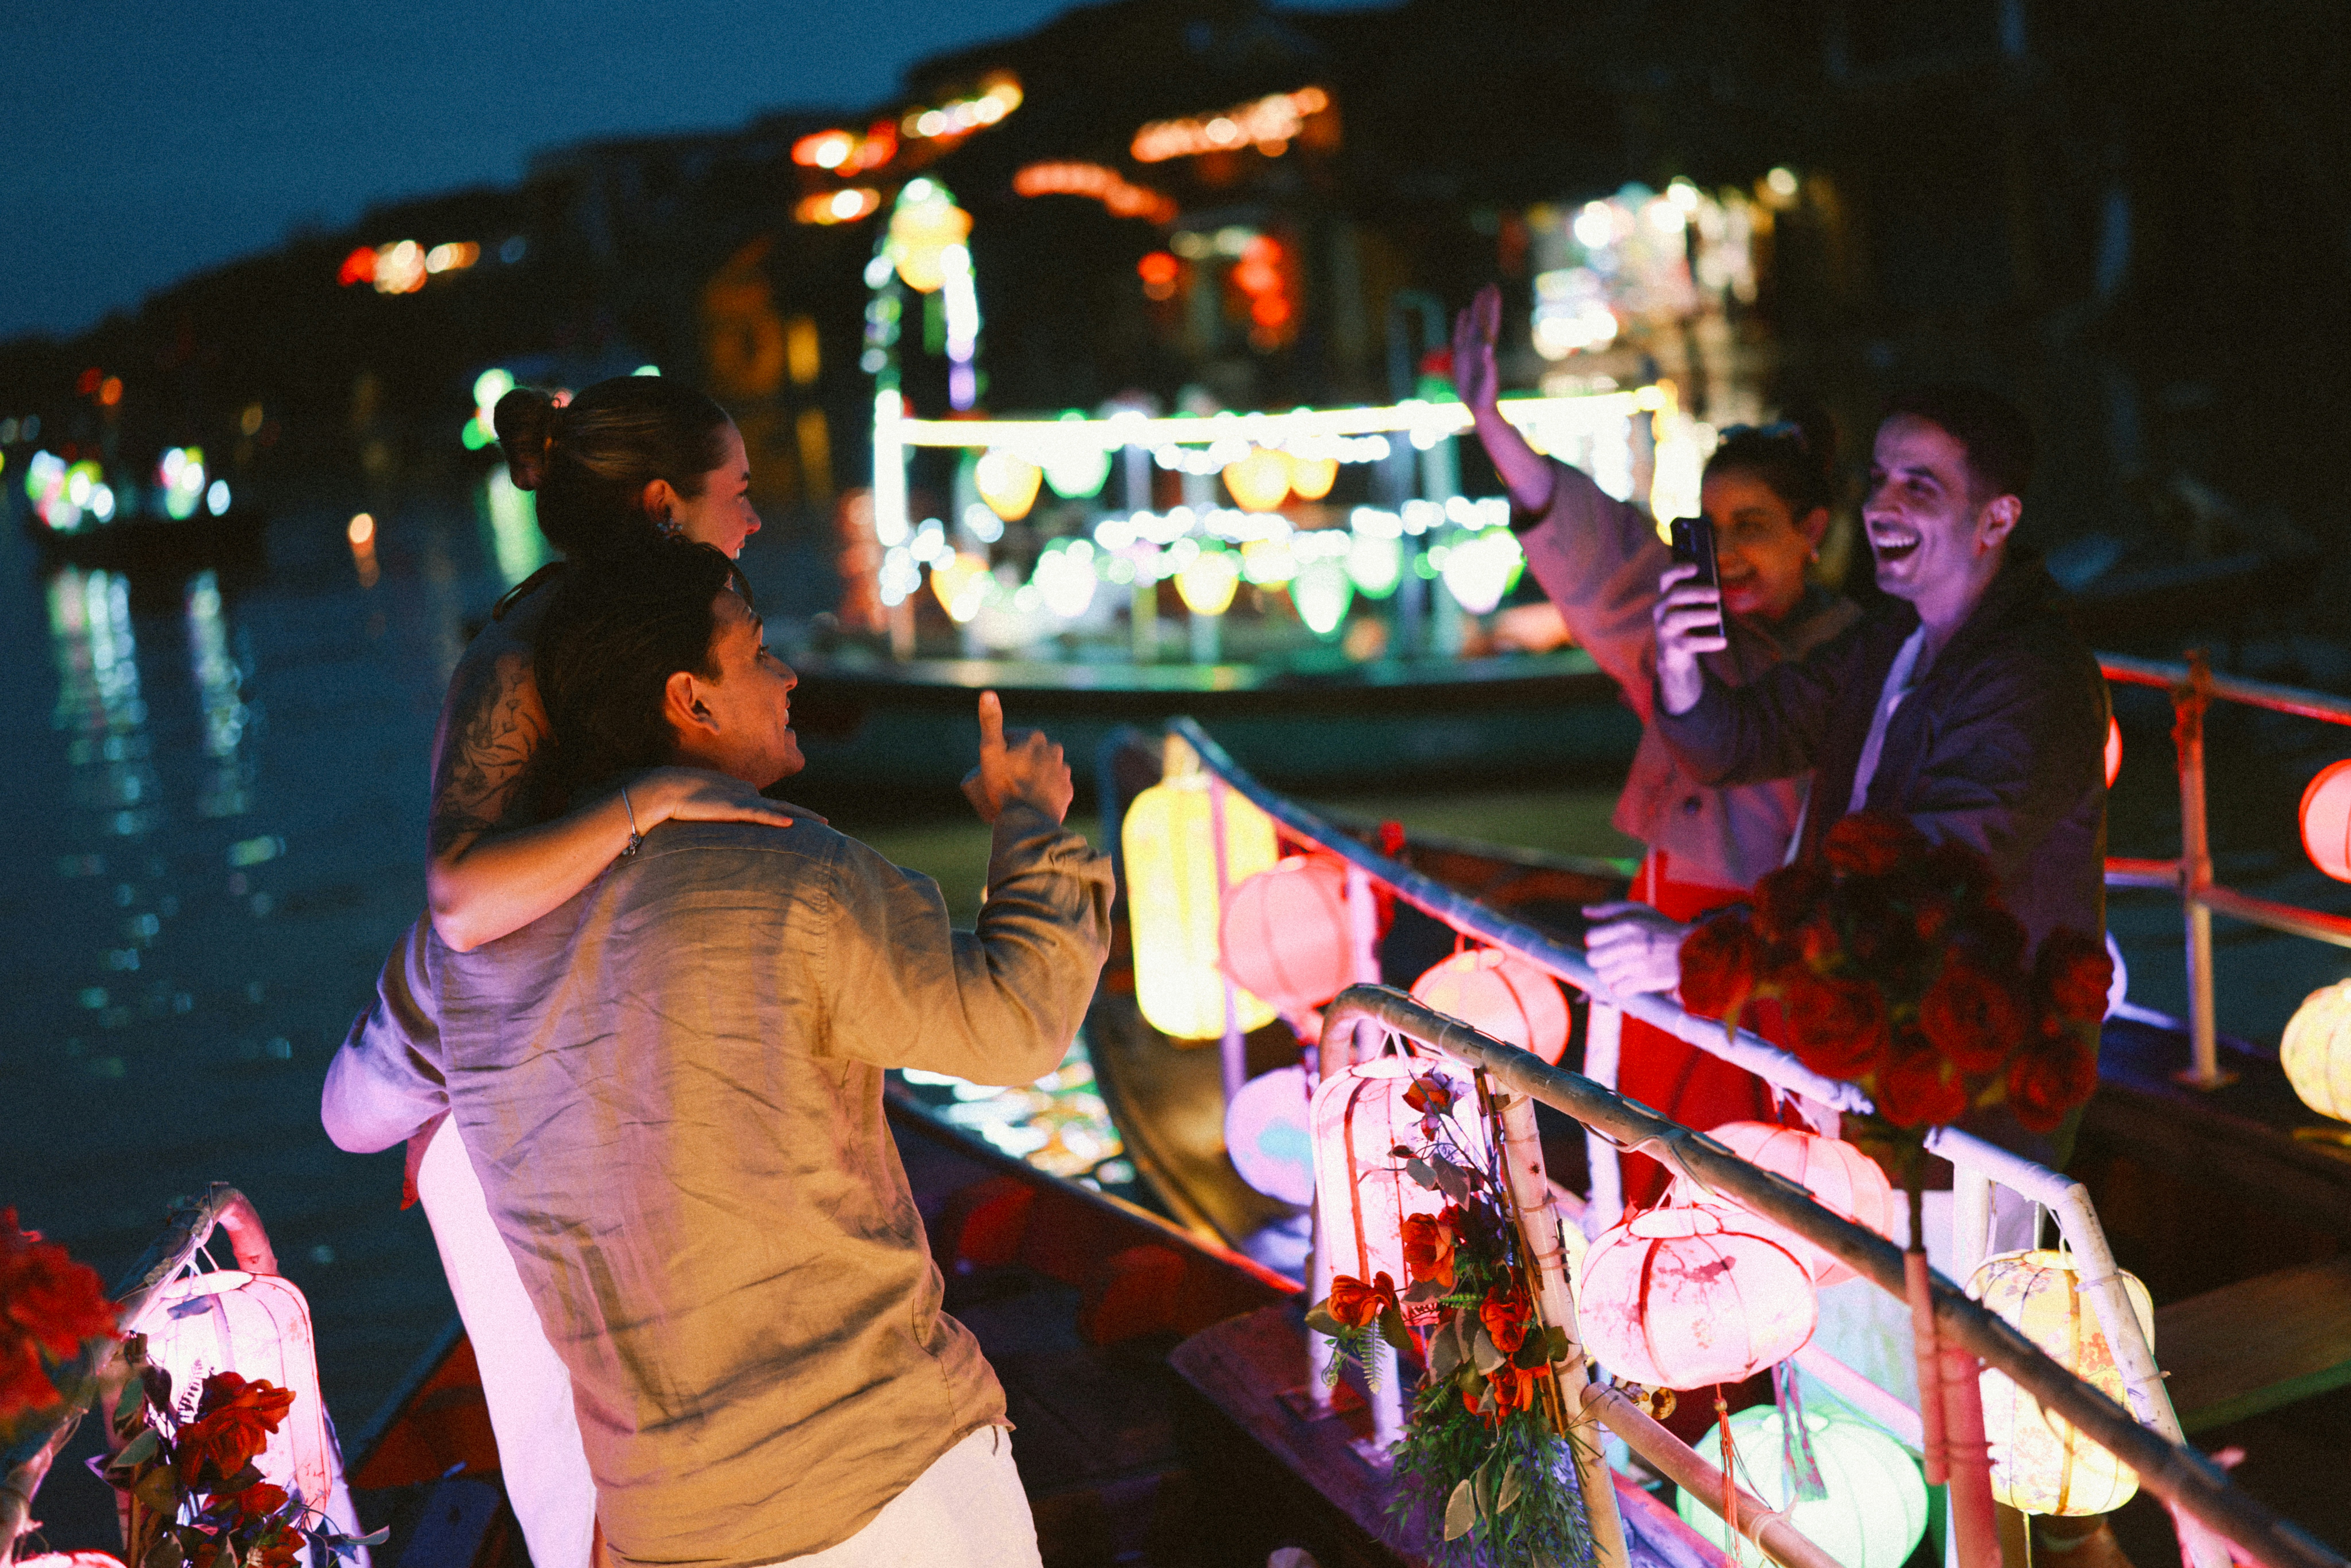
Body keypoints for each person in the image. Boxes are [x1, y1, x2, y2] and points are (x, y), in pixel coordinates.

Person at [429, 537, 1110, 1568]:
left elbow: (352, 1109)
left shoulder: (456, 965)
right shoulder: (792, 875)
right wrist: (1032, 828)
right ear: (689, 701)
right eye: (756, 653)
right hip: (890, 1491)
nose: (789, 673)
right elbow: (1018, 1024)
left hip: (669, 1529)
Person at [329, 375, 800, 1568]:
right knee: (576, 1452)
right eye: (736, 495)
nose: (755, 521)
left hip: (617, 1055)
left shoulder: (685, 629)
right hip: (499, 1089)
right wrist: (661, 798)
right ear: (660, 502)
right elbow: (462, 894)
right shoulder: (525, 647)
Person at [1452, 284, 1859, 1204]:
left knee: (1750, 1176)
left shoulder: (1852, 662)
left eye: (1752, 527)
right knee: (1650, 1159)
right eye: (1712, 532)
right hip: (1657, 925)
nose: (1728, 553)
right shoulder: (1680, 624)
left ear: (1815, 533)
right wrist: (1489, 418)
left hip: (1762, 947)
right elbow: (1593, 552)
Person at [1652, 383, 2110, 1157]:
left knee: (1953, 1271)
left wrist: (1701, 947)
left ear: (1996, 519)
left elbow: (1928, 872)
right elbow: (1747, 736)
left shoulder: (2034, 677)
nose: (1880, 505)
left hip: (1974, 1064)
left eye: (1919, 486)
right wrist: (1678, 667)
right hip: (1858, 1039)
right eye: (1879, 478)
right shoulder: (1890, 636)